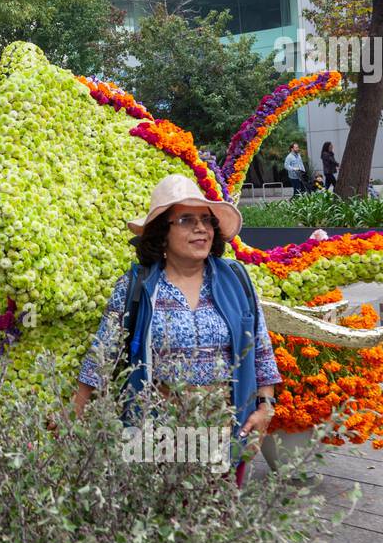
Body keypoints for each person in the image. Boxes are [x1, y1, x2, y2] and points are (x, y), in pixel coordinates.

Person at [71, 174, 279, 481]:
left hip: (225, 431)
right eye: (185, 220)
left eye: (206, 220)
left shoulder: (236, 280)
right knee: (159, 521)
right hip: (155, 434)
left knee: (218, 519)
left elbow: (261, 352)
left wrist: (265, 408)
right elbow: (101, 358)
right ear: (161, 233)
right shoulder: (138, 286)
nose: (201, 228)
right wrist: (72, 421)